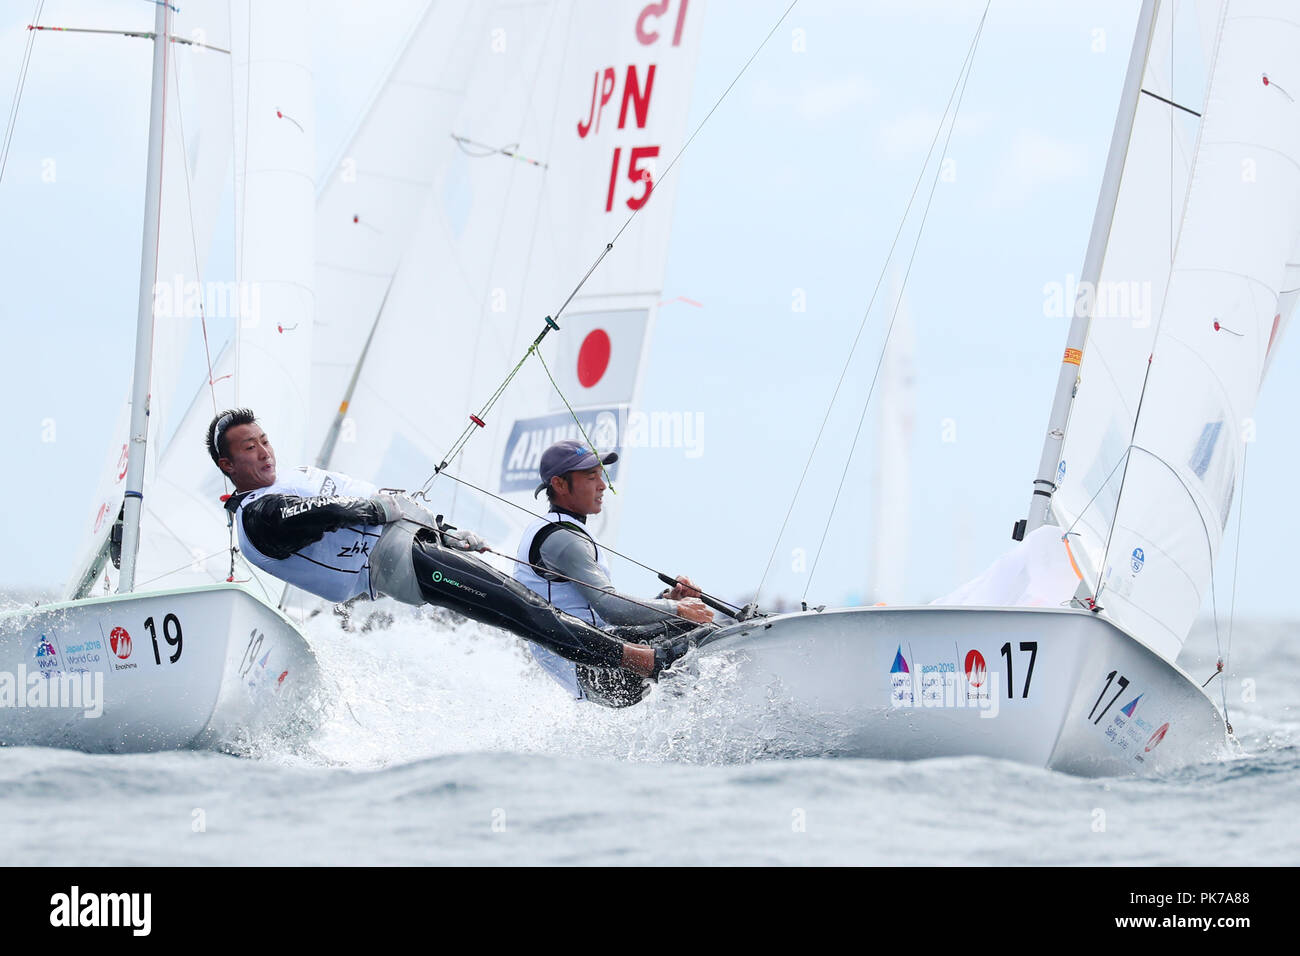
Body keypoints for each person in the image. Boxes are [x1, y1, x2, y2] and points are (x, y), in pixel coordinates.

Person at [205, 408, 693, 683]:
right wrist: (378, 511)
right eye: (249, 448)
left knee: (522, 604)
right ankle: (648, 661)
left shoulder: (290, 477)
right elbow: (325, 515)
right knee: (520, 611)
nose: (264, 451)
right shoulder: (257, 516)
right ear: (228, 465)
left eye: (264, 440)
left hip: (415, 546)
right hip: (398, 566)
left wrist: (442, 529)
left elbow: (371, 501)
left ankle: (651, 646)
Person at [513, 439, 715, 706]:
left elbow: (599, 613)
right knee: (696, 627)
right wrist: (677, 610)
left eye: (600, 475)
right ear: (559, 484)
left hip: (593, 664)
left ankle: (687, 716)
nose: (602, 485)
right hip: (595, 665)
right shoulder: (563, 540)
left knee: (686, 629)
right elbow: (611, 609)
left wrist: (669, 598)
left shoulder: (557, 530)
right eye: (590, 477)